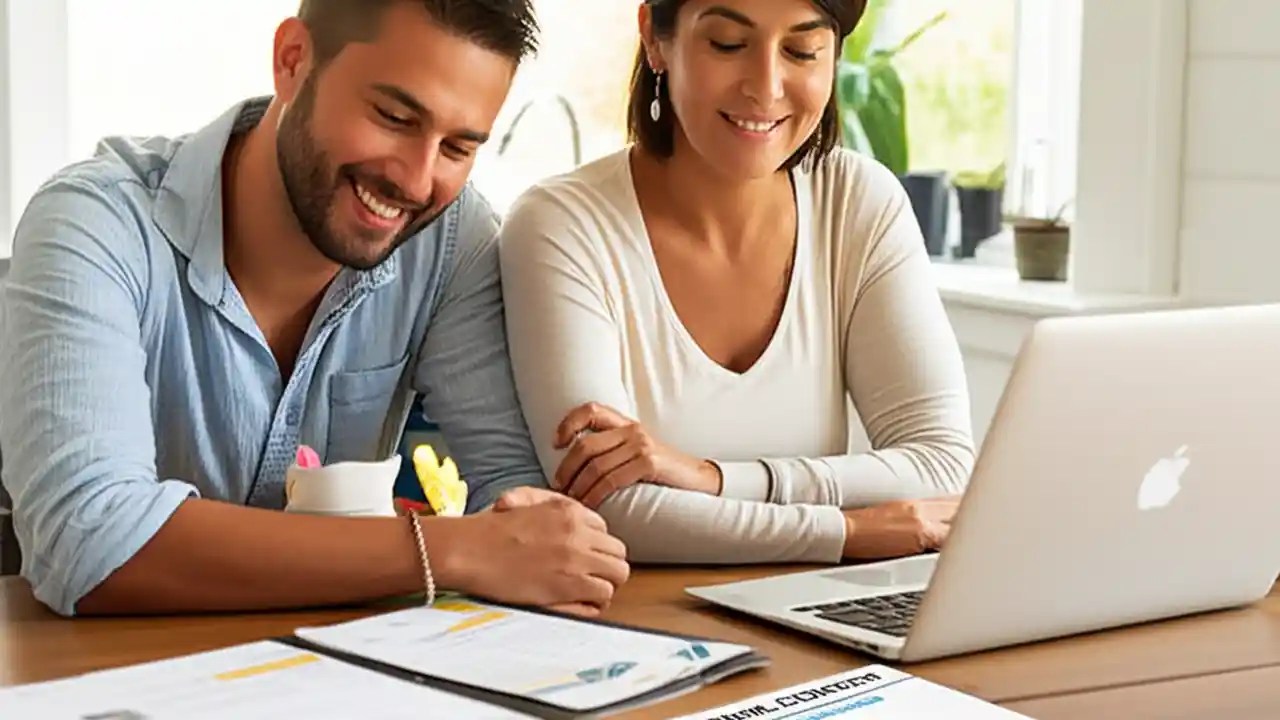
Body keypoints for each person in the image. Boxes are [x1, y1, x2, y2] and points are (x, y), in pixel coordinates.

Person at [0, 0, 629, 618]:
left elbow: (526, 510)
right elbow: (86, 541)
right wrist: (452, 551)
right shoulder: (93, 224)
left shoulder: (451, 242)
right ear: (292, 60)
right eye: (393, 116)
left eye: (457, 149)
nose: (416, 181)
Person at [498, 0, 975, 566]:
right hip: (641, 622)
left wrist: (711, 478)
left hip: (811, 610)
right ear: (656, 39)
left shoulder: (858, 203)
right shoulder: (563, 224)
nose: (766, 88)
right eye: (727, 43)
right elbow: (613, 506)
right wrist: (846, 531)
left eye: (802, 51)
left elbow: (943, 465)